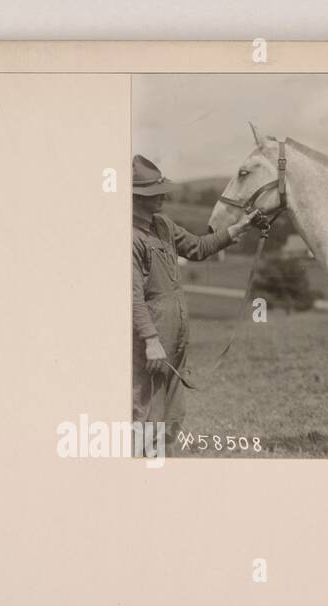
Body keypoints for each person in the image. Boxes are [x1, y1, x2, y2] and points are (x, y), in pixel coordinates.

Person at [131, 155, 254, 454]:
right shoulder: (130, 238)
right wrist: (150, 340)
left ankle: (163, 463)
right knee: (145, 405)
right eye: (154, 191)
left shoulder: (162, 224)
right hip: (153, 336)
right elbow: (131, 297)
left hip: (175, 334)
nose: (162, 195)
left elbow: (197, 248)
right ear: (137, 197)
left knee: (172, 408)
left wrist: (235, 231)